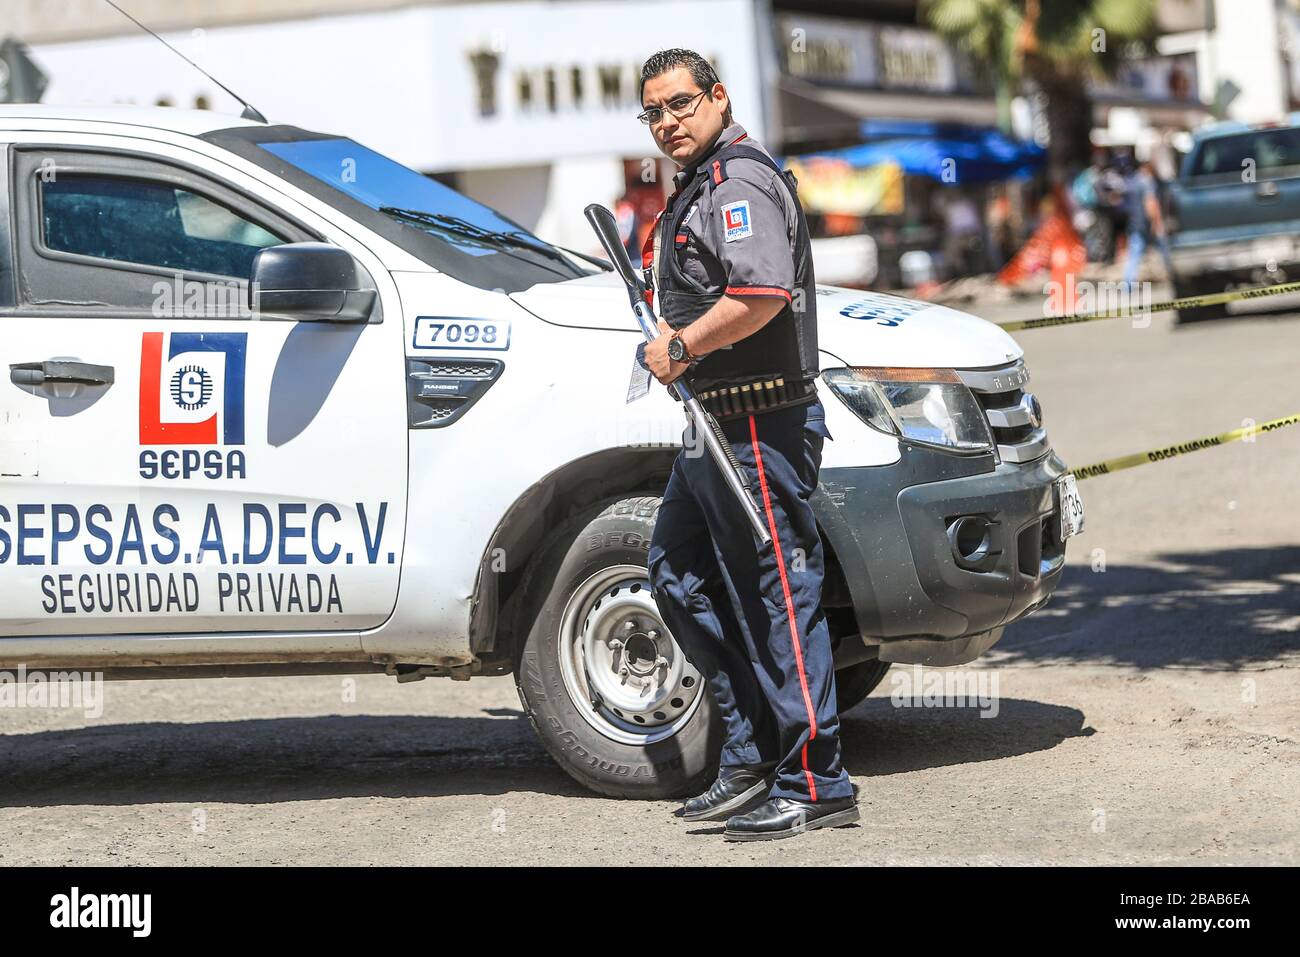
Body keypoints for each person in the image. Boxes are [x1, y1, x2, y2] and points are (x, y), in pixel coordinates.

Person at [636, 48, 858, 842]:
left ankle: (816, 780)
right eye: (654, 111)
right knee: (675, 571)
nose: (668, 122)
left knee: (778, 596)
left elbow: (760, 294)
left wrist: (683, 347)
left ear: (718, 98)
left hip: (760, 424)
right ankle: (754, 749)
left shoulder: (740, 182)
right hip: (715, 429)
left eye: (681, 104)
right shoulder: (699, 184)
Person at [1122, 158, 1174, 290]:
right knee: (1165, 250)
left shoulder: (1133, 181)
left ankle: (1127, 285)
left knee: (1134, 255)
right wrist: (1156, 222)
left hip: (1136, 223)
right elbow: (1150, 203)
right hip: (1146, 224)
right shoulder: (1147, 182)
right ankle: (1175, 277)